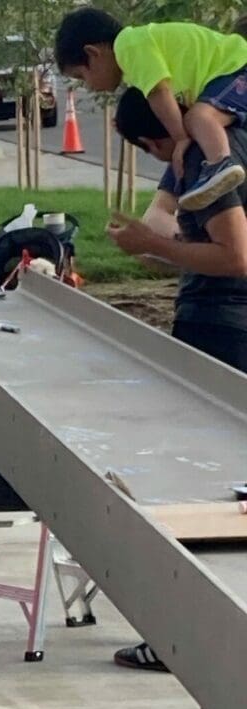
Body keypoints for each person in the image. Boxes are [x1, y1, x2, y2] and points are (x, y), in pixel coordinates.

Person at [107, 86, 247, 671]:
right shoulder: (205, 148)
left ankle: (186, 638)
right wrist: (157, 235)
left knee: (199, 486)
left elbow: (236, 256)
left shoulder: (207, 164)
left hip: (223, 325)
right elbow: (161, 217)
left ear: (150, 140)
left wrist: (153, 245)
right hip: (221, 321)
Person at [55, 8, 247, 210]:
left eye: (81, 76)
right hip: (230, 73)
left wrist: (181, 138)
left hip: (238, 66)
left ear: (93, 53)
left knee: (198, 118)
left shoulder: (128, 46)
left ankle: (219, 165)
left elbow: (159, 91)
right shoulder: (134, 60)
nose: (89, 86)